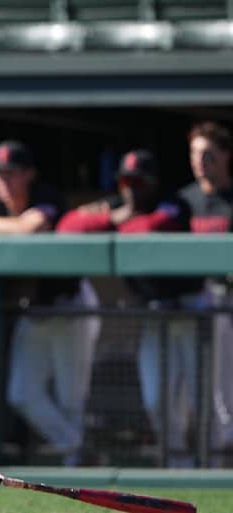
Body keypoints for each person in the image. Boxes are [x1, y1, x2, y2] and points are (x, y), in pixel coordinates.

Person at [0, 140, 100, 465]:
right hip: (34, 308)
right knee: (22, 393)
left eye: (12, 174)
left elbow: (32, 226)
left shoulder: (47, 196)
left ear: (28, 174)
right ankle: (77, 448)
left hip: (70, 304)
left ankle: (75, 468)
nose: (4, 181)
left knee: (71, 396)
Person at [58, 149, 202, 466]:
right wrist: (108, 218)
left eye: (138, 181)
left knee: (200, 398)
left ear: (152, 182)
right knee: (155, 399)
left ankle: (216, 465)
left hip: (192, 311)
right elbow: (68, 226)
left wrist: (116, 222)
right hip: (151, 313)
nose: (131, 188)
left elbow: (155, 227)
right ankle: (181, 463)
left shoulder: (174, 201)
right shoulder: (114, 207)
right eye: (125, 180)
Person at [175, 121, 233, 454]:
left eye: (208, 155)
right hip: (193, 304)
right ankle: (204, 454)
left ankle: (222, 453)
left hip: (227, 302)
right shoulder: (184, 201)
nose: (200, 162)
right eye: (195, 155)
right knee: (192, 389)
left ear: (225, 156)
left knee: (223, 386)